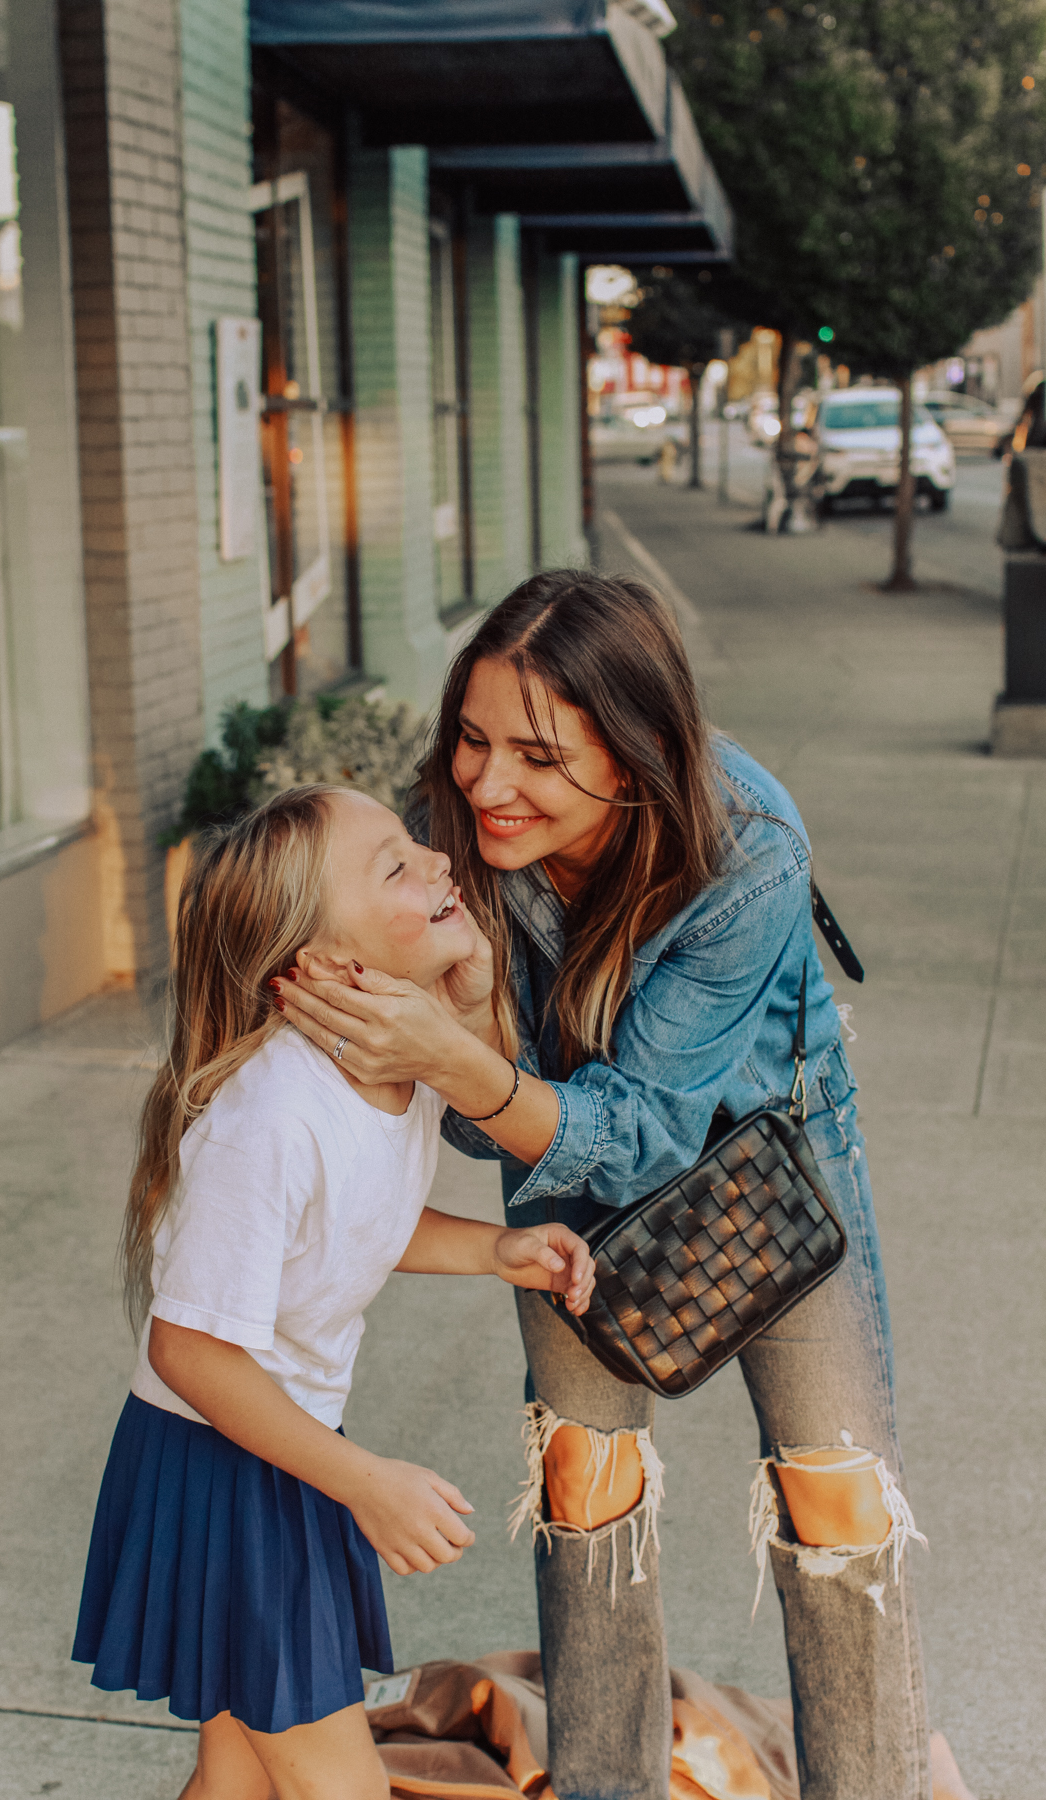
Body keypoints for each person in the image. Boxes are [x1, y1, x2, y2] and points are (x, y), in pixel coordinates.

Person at [275, 571, 932, 1800]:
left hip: (770, 1160)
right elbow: (496, 1140)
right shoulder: (456, 832)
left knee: (839, 1501)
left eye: (535, 754)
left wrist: (454, 1057)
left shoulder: (752, 850)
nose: (482, 784)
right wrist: (461, 1023)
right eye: (471, 739)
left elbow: (639, 1134)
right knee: (586, 1490)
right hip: (563, 1171)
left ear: (631, 761)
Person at [72, 783, 596, 1800]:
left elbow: (359, 1223)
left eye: (416, 847)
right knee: (334, 1786)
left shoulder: (390, 1063)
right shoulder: (267, 1119)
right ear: (320, 969)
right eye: (395, 867)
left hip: (273, 1453)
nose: (439, 862)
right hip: (223, 1471)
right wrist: (366, 1482)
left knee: (239, 1779)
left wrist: (495, 1249)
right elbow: (189, 1348)